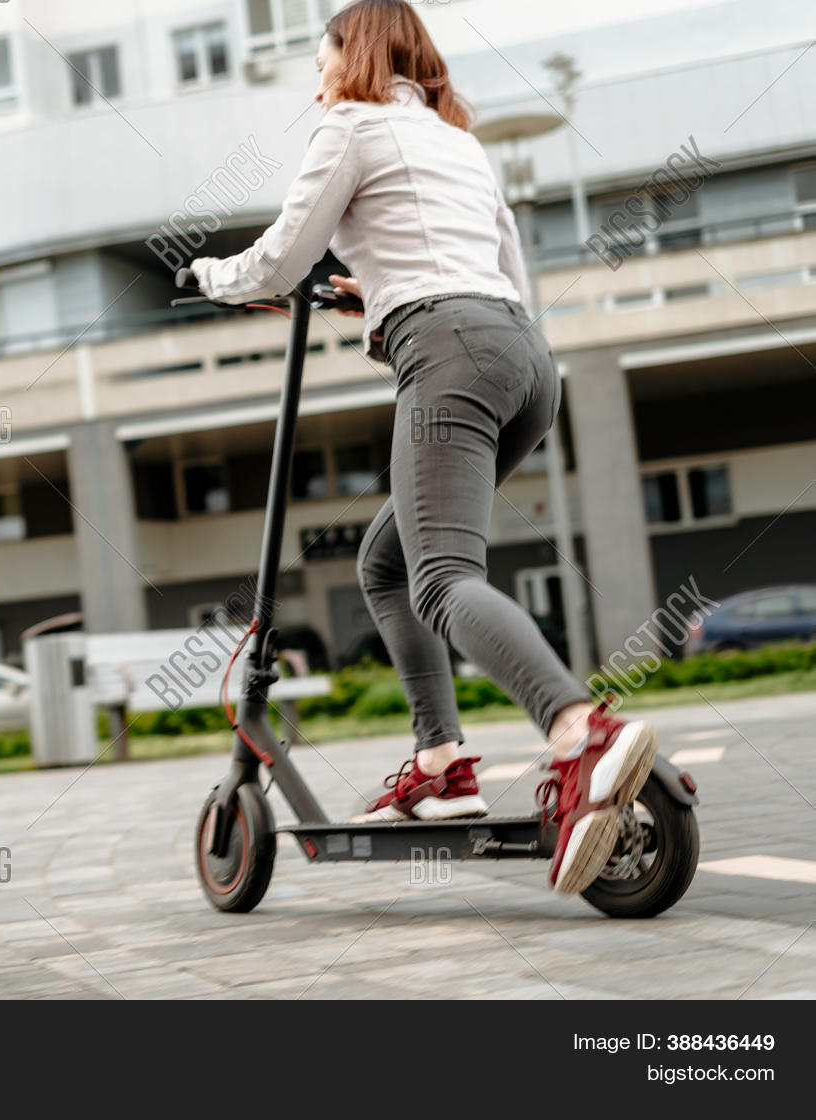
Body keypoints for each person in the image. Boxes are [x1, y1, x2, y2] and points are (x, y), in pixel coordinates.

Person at [190, 0, 657, 895]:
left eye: (320, 57)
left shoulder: (349, 126)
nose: (314, 78)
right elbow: (492, 273)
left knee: (441, 578)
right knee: (386, 561)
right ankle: (440, 759)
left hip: (449, 353)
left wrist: (211, 275)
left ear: (353, 54)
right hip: (525, 359)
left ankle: (579, 732)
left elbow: (280, 262)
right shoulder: (457, 142)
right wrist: (381, 289)